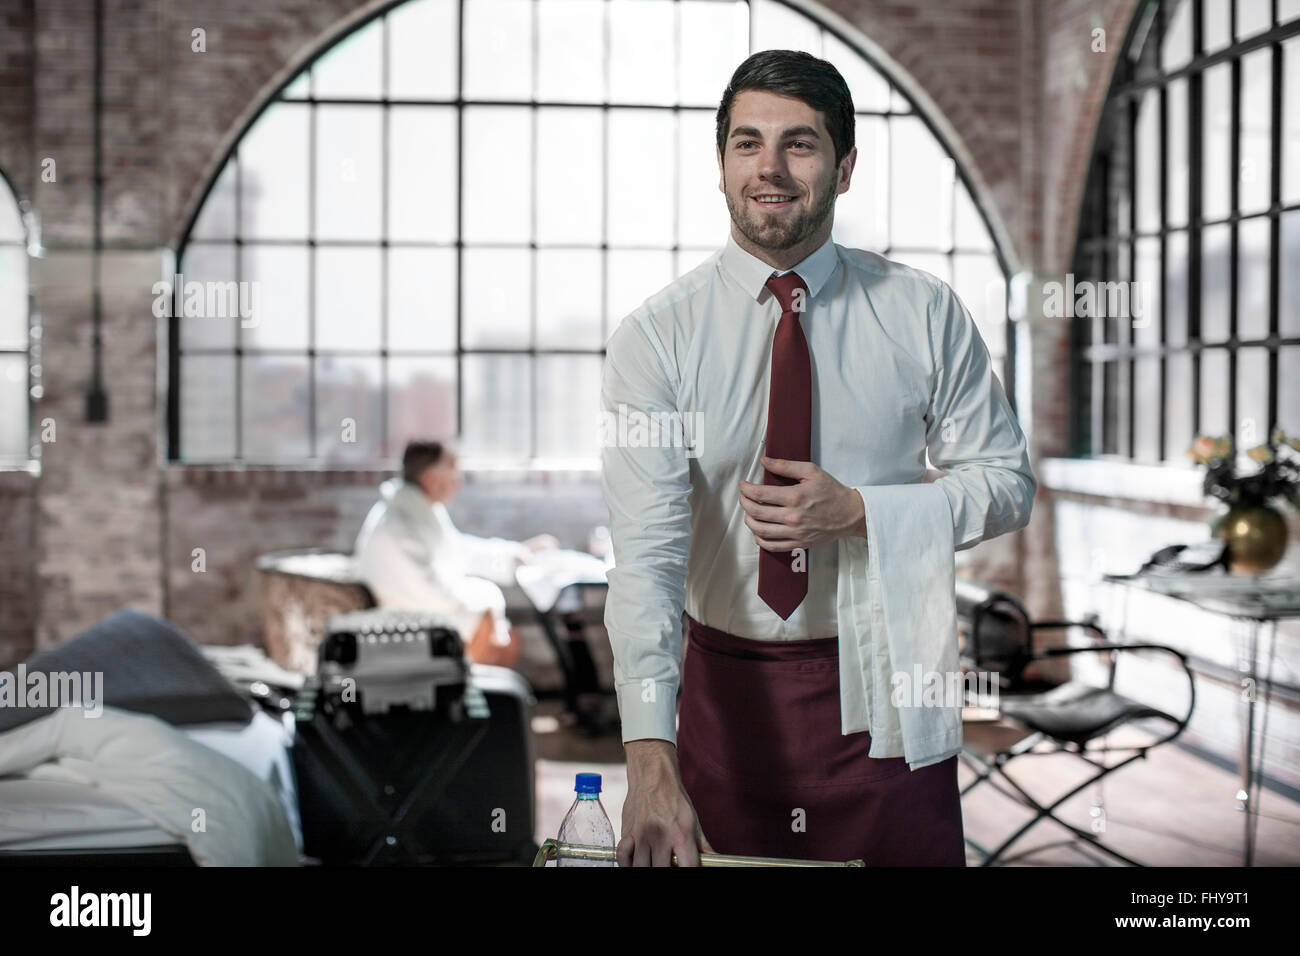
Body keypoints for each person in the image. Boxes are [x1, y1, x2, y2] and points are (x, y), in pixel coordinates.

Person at [601, 50, 1037, 867]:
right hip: (727, 701)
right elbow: (648, 558)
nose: (769, 168)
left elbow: (1008, 485)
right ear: (721, 163)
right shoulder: (656, 339)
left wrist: (864, 512)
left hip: (894, 688)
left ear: (843, 168)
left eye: (799, 144)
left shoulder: (924, 313)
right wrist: (648, 757)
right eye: (746, 143)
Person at [354, 440, 558, 666]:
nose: (458, 483)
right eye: (453, 474)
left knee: (505, 637)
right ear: (430, 478)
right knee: (502, 640)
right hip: (409, 632)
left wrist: (513, 554)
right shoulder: (398, 526)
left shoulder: (419, 510)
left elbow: (456, 550)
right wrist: (483, 608)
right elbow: (430, 595)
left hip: (425, 617)